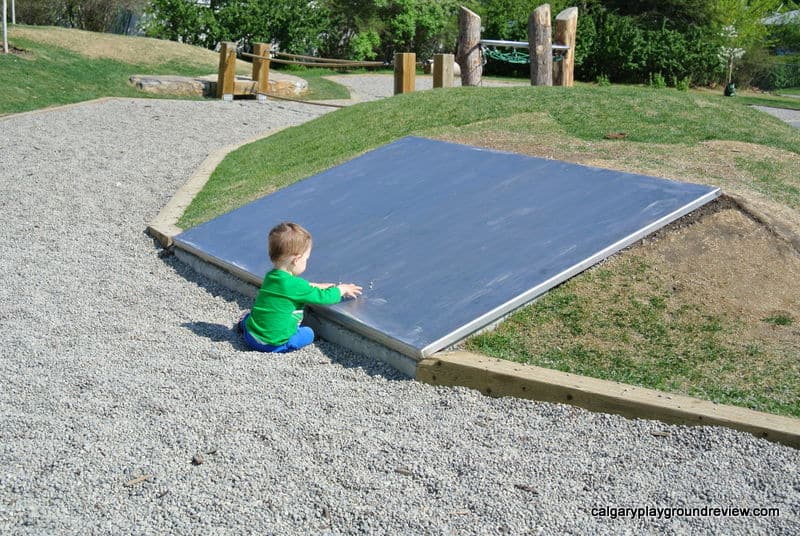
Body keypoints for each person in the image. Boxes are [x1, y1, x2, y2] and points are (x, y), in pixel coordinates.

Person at [239, 222, 362, 353]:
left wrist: (316, 285)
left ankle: (243, 324)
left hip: (250, 337)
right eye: (306, 259)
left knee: (252, 318)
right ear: (296, 260)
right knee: (308, 333)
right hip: (272, 344)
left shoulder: (270, 277)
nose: (306, 261)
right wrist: (341, 289)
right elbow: (323, 298)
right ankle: (283, 345)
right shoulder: (297, 286)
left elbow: (294, 288)